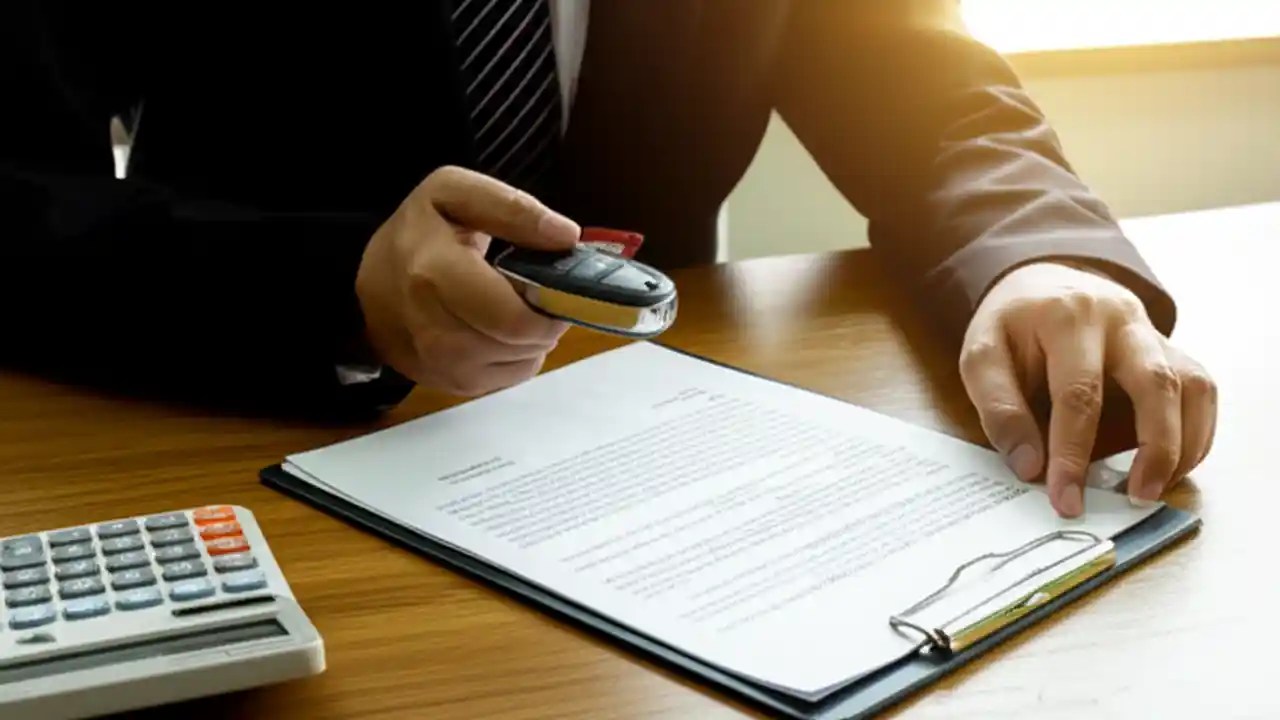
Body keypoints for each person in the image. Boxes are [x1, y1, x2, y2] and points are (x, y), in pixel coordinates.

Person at [1, 1, 1215, 518]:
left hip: (667, 481)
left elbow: (912, 78)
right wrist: (331, 287)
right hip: (245, 451)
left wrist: (1038, 260)